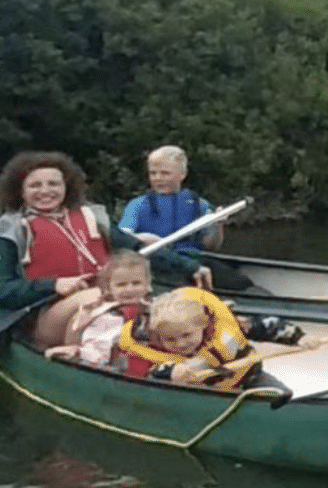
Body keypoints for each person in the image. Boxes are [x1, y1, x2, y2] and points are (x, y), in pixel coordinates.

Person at [0, 151, 213, 352]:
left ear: (66, 186)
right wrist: (54, 285)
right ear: (21, 191)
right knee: (96, 296)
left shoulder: (91, 217)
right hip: (41, 314)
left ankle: (160, 354)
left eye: (53, 184)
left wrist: (190, 266)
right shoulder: (11, 230)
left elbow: (137, 248)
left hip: (107, 299)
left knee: (170, 303)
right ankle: (84, 357)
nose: (46, 191)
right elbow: (4, 290)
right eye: (35, 185)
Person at [116, 287, 261, 389]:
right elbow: (144, 376)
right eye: (170, 339)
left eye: (187, 335)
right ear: (158, 336)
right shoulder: (148, 344)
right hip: (194, 395)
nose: (180, 344)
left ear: (203, 324)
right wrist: (167, 373)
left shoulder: (223, 333)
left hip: (248, 378)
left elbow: (251, 329)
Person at [43, 249, 153, 368]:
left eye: (136, 283)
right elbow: (98, 351)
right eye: (121, 285)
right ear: (109, 288)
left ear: (147, 285)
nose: (129, 289)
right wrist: (79, 352)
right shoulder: (108, 316)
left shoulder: (151, 308)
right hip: (114, 368)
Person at [118, 145, 223, 254]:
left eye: (165, 173)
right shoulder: (137, 205)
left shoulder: (199, 204)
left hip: (191, 258)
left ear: (182, 174)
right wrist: (143, 238)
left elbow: (211, 246)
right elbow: (122, 237)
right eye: (153, 173)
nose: (158, 178)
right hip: (153, 257)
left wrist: (217, 226)